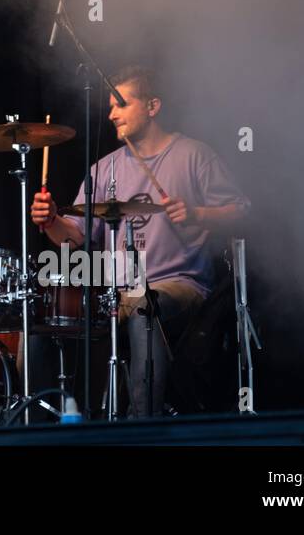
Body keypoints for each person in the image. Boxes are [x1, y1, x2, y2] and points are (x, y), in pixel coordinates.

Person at [30, 65, 249, 416]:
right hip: (116, 292)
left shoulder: (193, 155)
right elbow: (75, 238)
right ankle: (38, 427)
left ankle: (145, 425)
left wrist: (197, 214)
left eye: (121, 104)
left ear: (153, 106)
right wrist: (52, 220)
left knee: (141, 306)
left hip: (180, 285)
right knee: (40, 319)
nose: (111, 113)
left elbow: (242, 212)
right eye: (110, 106)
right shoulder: (105, 168)